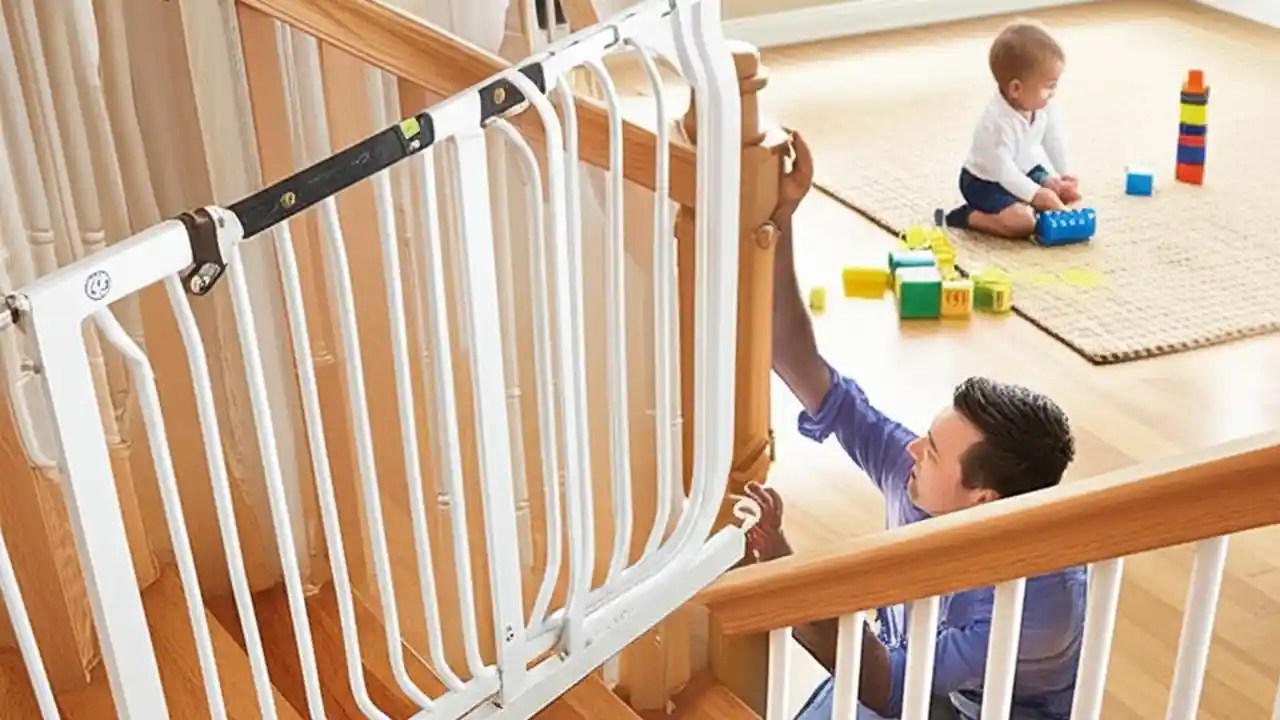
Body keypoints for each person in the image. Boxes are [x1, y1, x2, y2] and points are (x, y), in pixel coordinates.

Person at [748, 130, 1088, 720]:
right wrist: (783, 216)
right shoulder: (921, 482)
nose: (912, 450)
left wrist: (781, 561)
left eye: (932, 452)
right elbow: (795, 359)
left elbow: (888, 684)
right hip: (922, 680)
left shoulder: (1039, 601)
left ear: (982, 500)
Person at [940, 19, 1082, 239]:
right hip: (986, 181)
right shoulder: (996, 123)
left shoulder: (1041, 105)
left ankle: (1035, 196)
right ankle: (966, 216)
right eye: (1049, 86)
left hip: (1023, 168)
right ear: (1016, 88)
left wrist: (1062, 174)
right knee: (1023, 222)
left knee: (1057, 191)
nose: (1054, 92)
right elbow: (1005, 174)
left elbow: (1052, 137)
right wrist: (1036, 195)